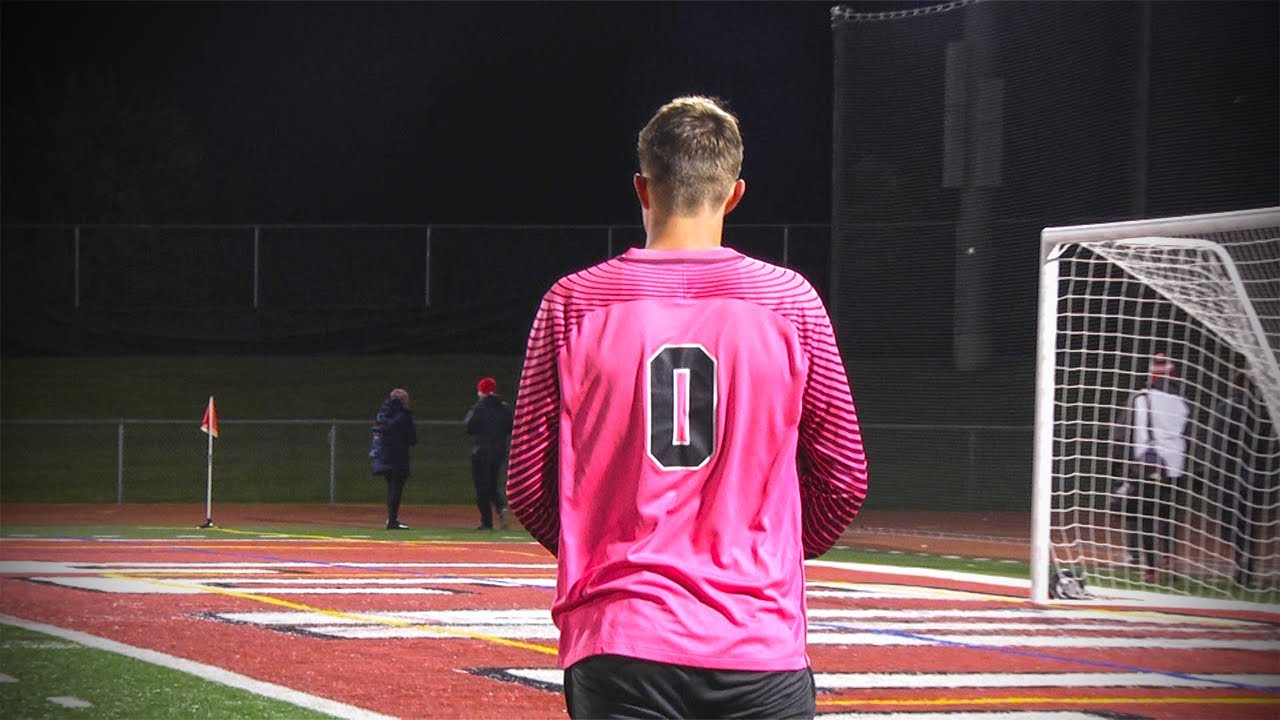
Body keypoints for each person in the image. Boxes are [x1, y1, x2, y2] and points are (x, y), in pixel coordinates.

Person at [507, 96, 868, 719]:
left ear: (642, 188)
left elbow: (526, 484)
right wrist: (763, 555)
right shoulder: (791, 303)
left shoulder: (572, 304)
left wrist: (602, 555)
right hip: (756, 634)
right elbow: (844, 481)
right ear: (734, 194)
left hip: (620, 634)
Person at [1122, 353, 1190, 581]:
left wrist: (1122, 468)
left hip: (1147, 465)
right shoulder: (1182, 404)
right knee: (1168, 515)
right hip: (1175, 467)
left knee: (1146, 518)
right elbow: (1188, 435)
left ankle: (1151, 569)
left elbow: (1123, 432)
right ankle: (1169, 558)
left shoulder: (1140, 399)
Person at [1209, 371, 1274, 587]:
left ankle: (1241, 559)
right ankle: (1246, 563)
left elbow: (1217, 443)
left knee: (1230, 523)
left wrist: (1214, 471)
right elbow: (1267, 443)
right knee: (1249, 522)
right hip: (1255, 473)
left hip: (1231, 473)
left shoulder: (1225, 408)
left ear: (1234, 386)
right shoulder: (1262, 411)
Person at [464, 376, 514, 531]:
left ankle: (487, 521)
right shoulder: (504, 407)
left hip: (481, 452)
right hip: (499, 452)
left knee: (481, 487)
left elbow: (469, 426)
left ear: (481, 390)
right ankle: (501, 506)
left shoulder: (479, 407)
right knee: (492, 484)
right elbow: (510, 427)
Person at [370, 387, 417, 530]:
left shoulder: (383, 414)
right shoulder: (404, 416)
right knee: (396, 488)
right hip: (398, 455)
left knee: (391, 487)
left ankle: (391, 518)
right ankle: (392, 519)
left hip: (384, 455)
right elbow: (412, 438)